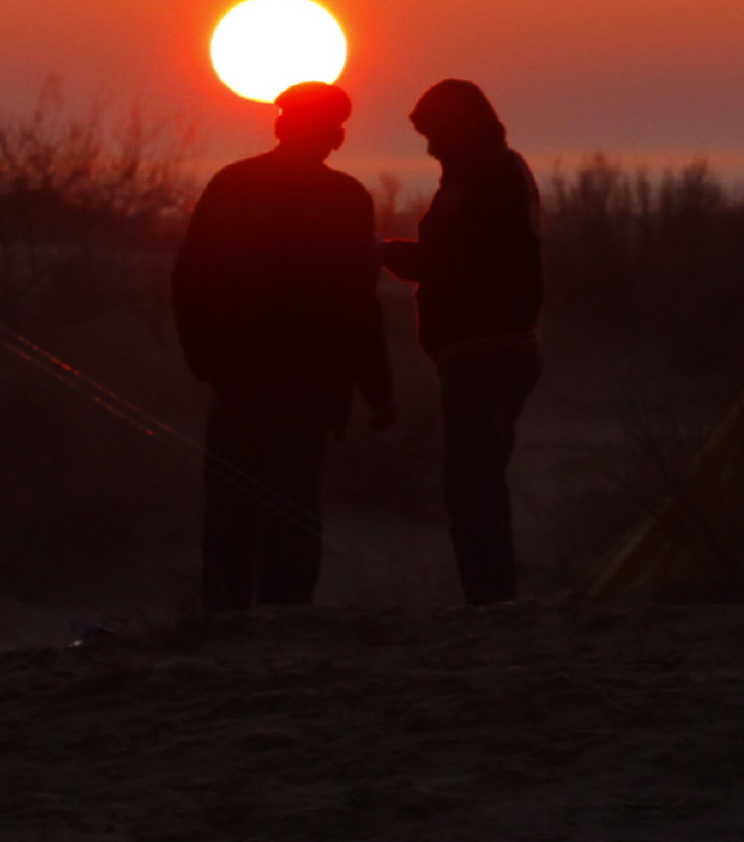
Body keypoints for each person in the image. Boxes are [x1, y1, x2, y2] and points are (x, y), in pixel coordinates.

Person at [170, 81, 392, 609]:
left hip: (242, 382)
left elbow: (188, 278)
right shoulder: (346, 198)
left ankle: (226, 622)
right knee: (292, 505)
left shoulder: (232, 184)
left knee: (230, 509)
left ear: (282, 126)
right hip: (307, 389)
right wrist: (378, 391)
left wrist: (206, 362)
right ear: (334, 136)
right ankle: (285, 622)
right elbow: (358, 302)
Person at [381, 78, 544, 606]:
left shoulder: (480, 178)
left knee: (471, 486)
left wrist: (378, 251)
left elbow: (442, 261)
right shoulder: (498, 171)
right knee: (480, 480)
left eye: (433, 134)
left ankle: (491, 603)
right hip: (496, 349)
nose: (428, 148)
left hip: (481, 353)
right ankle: (493, 598)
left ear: (456, 129)